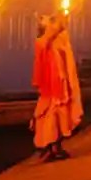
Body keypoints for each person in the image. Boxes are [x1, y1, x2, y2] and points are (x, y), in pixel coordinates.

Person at [32, 15, 73, 161]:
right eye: (44, 20)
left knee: (59, 116)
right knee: (50, 118)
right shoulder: (41, 42)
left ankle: (57, 147)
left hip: (58, 82)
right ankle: (50, 148)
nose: (47, 20)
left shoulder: (53, 41)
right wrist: (58, 24)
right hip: (49, 86)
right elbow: (52, 34)